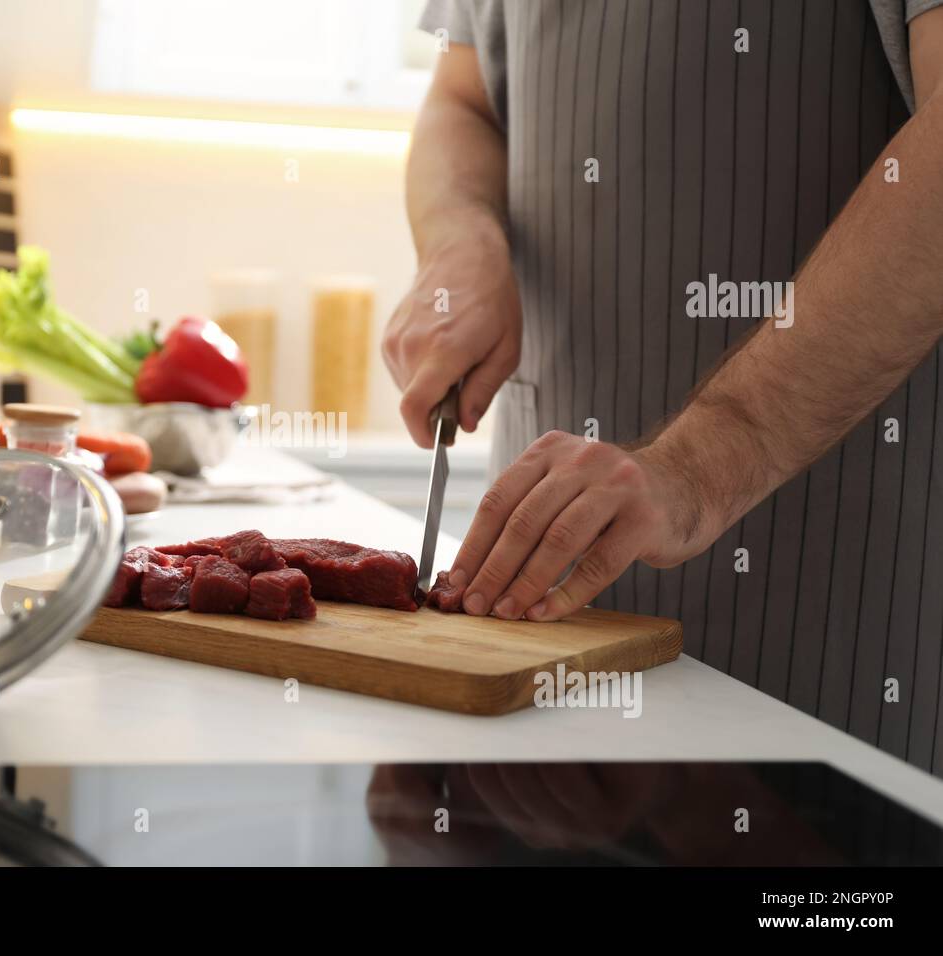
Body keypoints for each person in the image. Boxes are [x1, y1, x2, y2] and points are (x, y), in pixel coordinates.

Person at [387, 0, 943, 775]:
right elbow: (463, 99)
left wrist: (701, 464)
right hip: (534, 683)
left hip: (836, 665)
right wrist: (460, 240)